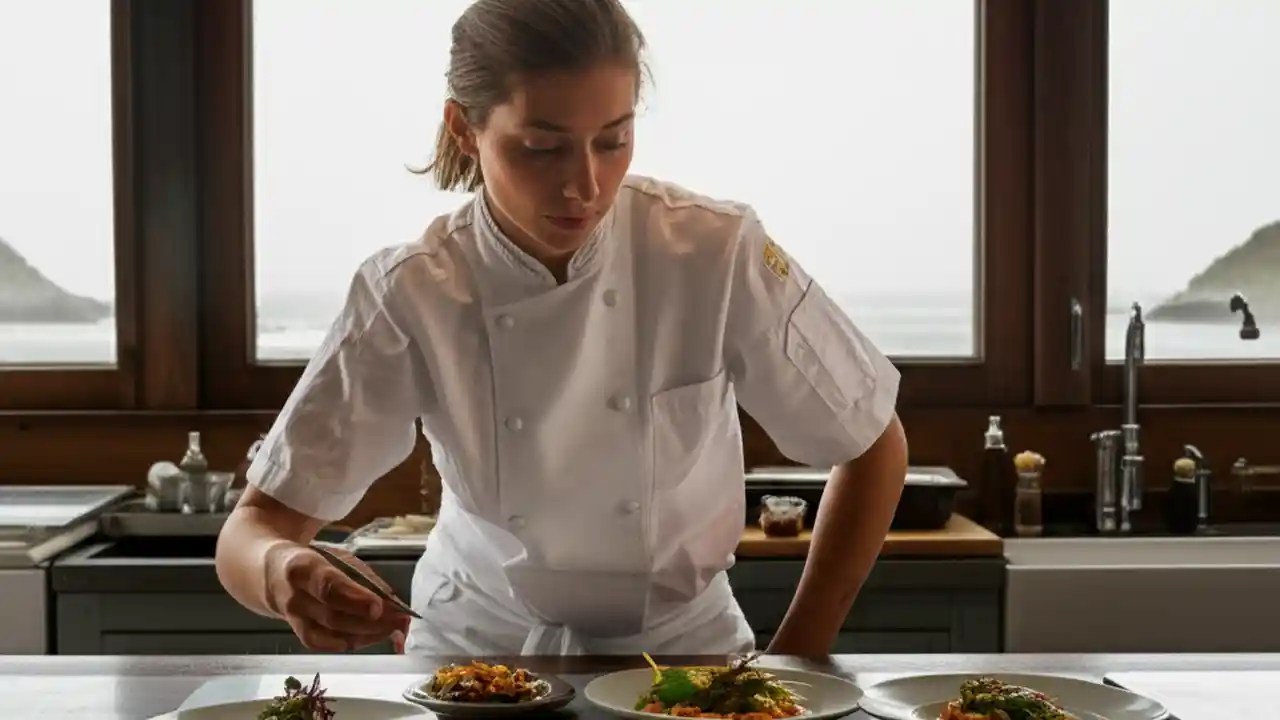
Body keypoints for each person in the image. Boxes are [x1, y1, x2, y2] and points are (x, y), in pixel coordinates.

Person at [215, 0, 908, 657]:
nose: (586, 184)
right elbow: (254, 529)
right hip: (477, 657)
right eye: (542, 148)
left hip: (684, 655)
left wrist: (800, 660)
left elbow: (872, 443)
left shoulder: (711, 250)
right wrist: (282, 574)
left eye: (614, 141)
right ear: (465, 129)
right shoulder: (413, 289)